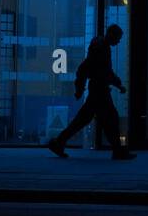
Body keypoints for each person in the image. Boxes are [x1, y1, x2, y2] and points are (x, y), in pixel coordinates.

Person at [46, 24, 135, 160]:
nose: (119, 41)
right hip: (100, 91)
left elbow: (88, 69)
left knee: (84, 119)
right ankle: (117, 150)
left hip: (97, 89)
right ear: (112, 35)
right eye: (118, 38)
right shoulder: (102, 49)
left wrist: (80, 88)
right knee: (111, 119)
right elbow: (104, 72)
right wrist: (118, 84)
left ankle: (59, 142)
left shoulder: (99, 47)